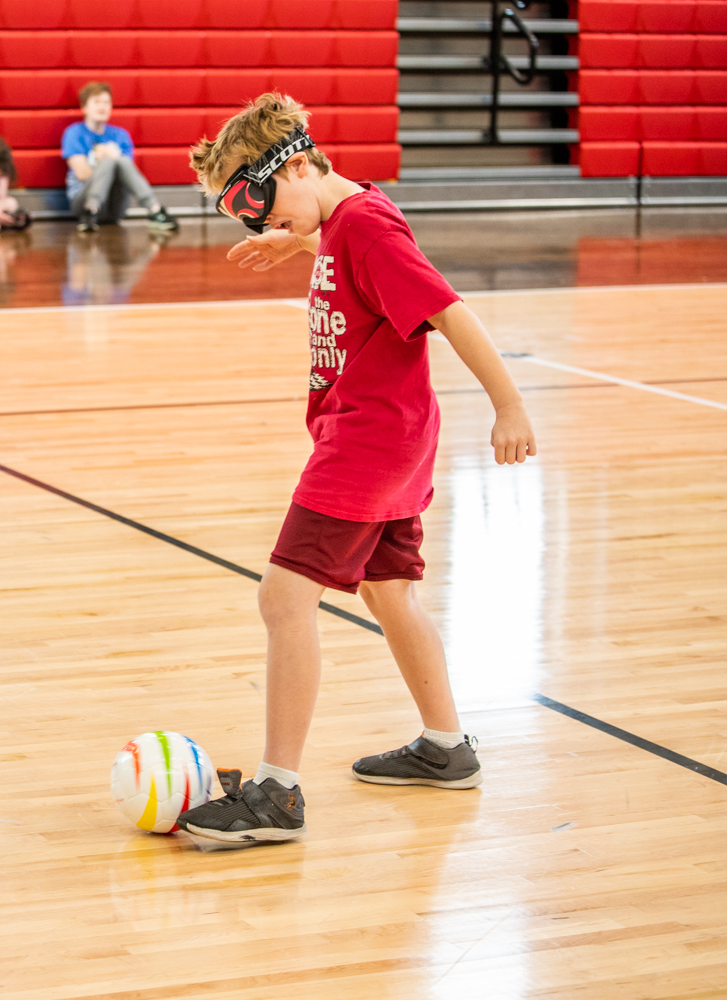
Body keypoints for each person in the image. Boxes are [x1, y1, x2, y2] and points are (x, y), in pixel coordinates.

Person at [175, 93, 538, 849]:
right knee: (389, 592)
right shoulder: (343, 221)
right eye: (237, 212)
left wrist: (509, 405)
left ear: (297, 163)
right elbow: (348, 254)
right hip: (388, 438)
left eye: (253, 200)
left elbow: (449, 312)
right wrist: (298, 244)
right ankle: (446, 746)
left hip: (367, 445)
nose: (254, 220)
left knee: (283, 598)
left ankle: (277, 792)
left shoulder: (366, 226)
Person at [62, 81, 179, 234]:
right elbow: (82, 174)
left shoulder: (120, 135)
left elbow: (128, 175)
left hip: (114, 206)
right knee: (110, 160)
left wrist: (114, 157)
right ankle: (91, 210)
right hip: (82, 204)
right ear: (85, 107)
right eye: (97, 102)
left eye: (106, 102)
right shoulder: (74, 133)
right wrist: (104, 162)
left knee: (120, 159)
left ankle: (155, 210)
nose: (102, 107)